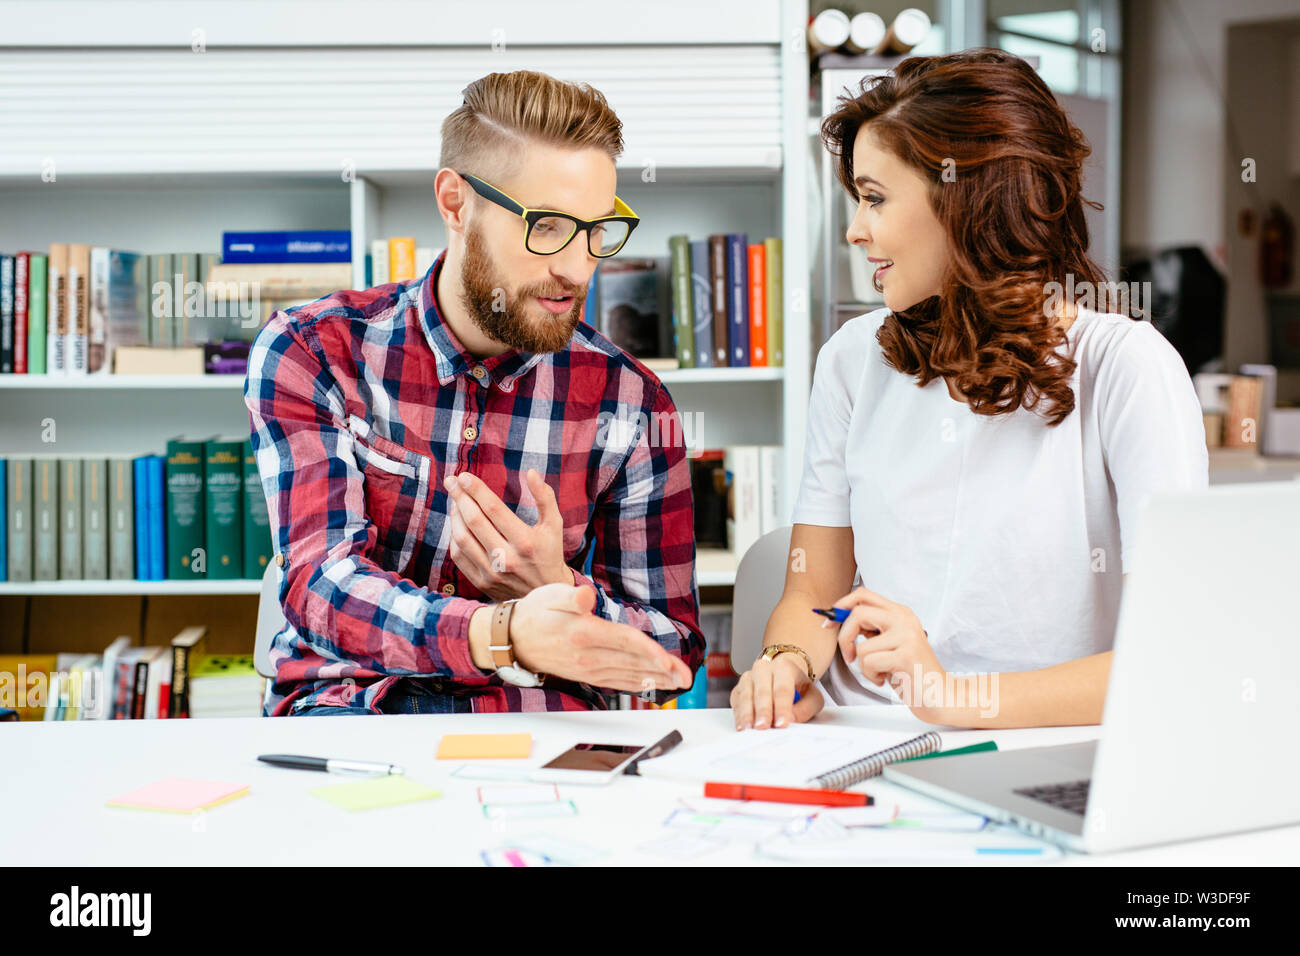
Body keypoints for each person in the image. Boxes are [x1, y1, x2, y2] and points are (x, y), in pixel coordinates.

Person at [731, 49, 1207, 731]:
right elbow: (814, 588)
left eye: (875, 198)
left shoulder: (1128, 369)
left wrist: (950, 696)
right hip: (864, 740)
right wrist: (786, 663)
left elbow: (1168, 655)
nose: (854, 230)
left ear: (966, 200)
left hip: (1043, 752)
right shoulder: (852, 359)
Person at [246, 70, 703, 716]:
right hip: (352, 720)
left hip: (543, 743)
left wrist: (557, 587)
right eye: (547, 226)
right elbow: (322, 587)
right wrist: (504, 634)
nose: (577, 268)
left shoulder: (631, 404)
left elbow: (674, 657)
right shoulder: (315, 351)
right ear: (456, 203)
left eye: (597, 229)